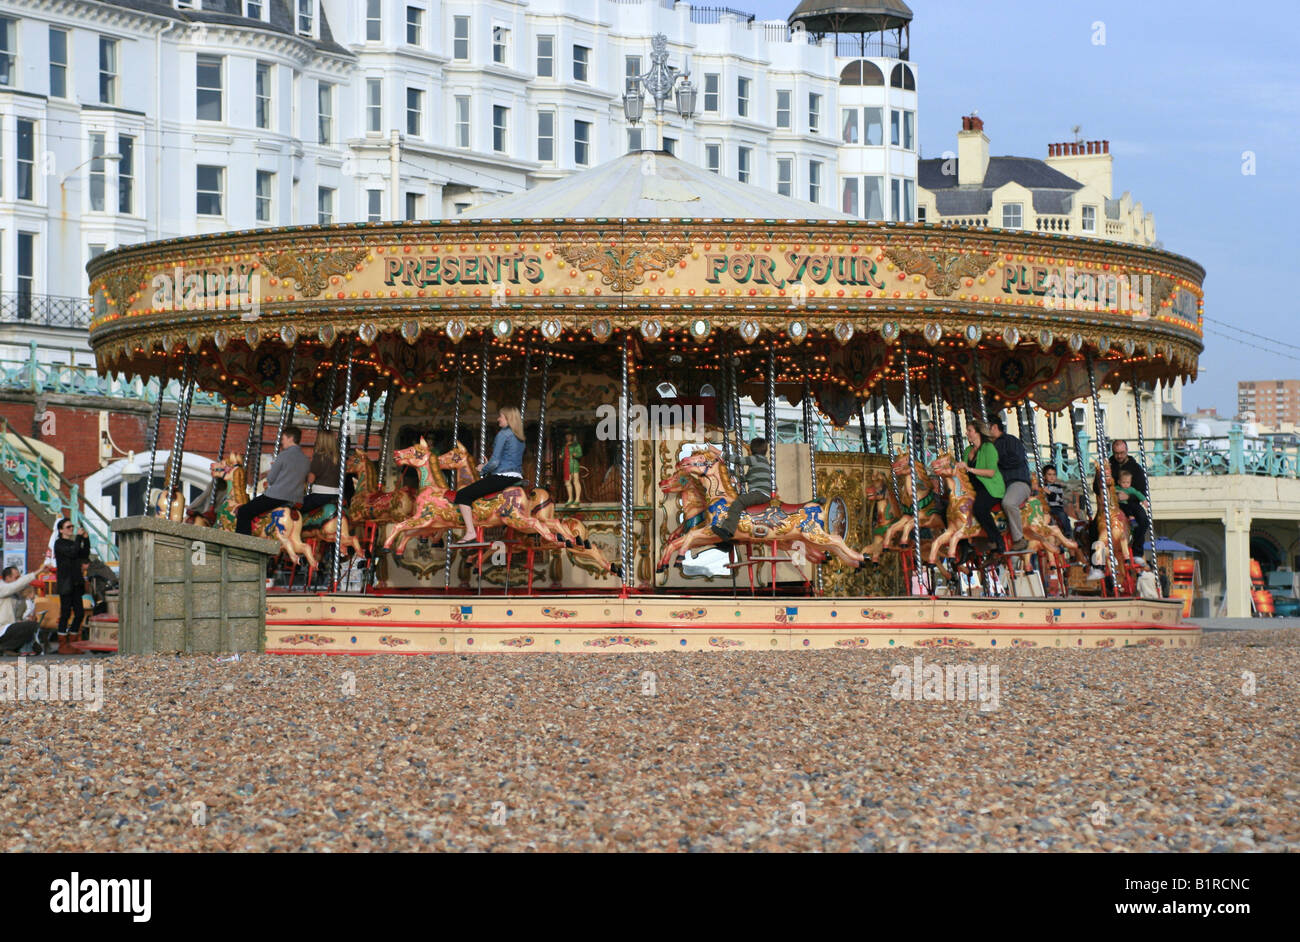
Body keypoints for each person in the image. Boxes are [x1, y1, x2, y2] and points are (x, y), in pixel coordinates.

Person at [450, 407, 526, 547]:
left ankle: (470, 532)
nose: (498, 419)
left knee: (462, 495)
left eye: (501, 417)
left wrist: (482, 469)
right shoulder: (520, 438)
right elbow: (507, 460)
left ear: (508, 418)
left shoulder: (503, 434)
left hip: (502, 477)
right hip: (516, 477)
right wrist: (488, 465)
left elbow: (496, 461)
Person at [236, 426, 310, 535]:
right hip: (296, 499)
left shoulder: (283, 455)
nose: (282, 442)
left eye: (283, 438)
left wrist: (272, 470)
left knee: (244, 511)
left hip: (277, 496)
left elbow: (270, 479)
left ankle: (242, 543)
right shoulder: (306, 459)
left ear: (290, 438)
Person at [712, 438, 774, 542]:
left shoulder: (755, 458)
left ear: (752, 449)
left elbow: (739, 460)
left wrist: (719, 452)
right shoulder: (763, 461)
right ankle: (731, 537)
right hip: (762, 494)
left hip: (759, 493)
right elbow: (748, 477)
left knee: (739, 502)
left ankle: (728, 530)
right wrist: (736, 479)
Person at [956, 420, 1005, 549]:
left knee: (979, 508)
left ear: (978, 433)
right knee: (956, 508)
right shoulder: (968, 451)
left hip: (990, 488)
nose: (967, 433)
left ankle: (997, 540)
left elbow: (991, 472)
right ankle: (965, 544)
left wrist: (969, 469)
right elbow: (963, 470)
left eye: (970, 430)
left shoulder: (989, 448)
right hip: (973, 488)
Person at [987, 418, 1031, 552]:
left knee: (1009, 503)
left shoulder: (1010, 441)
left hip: (1017, 482)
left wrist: (996, 461)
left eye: (985, 428)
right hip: (999, 486)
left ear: (994, 427)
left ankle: (1019, 539)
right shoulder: (988, 446)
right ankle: (993, 539)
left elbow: (1016, 459)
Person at [1109, 440, 1150, 555]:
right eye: (1116, 453)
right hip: (1113, 503)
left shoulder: (1136, 469)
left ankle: (1137, 551)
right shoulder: (1109, 466)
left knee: (1143, 521)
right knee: (1095, 526)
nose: (1119, 456)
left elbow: (1142, 490)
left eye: (1122, 452)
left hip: (1131, 503)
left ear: (1127, 451)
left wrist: (1129, 496)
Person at [0, 562, 51, 655]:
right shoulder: (1, 587)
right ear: (7, 578)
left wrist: (24, 619)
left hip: (9, 627)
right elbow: (16, 585)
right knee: (31, 626)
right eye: (16, 577)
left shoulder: (15, 595)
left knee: (32, 625)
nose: (19, 580)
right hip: (2, 629)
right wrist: (38, 572)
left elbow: (18, 615)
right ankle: (6, 647)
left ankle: (14, 648)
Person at [53, 519, 90, 647]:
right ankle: (63, 643)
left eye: (72, 527)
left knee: (80, 613)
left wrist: (86, 539)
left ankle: (73, 642)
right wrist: (79, 537)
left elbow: (84, 554)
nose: (71, 529)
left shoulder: (73, 543)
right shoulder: (59, 543)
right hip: (66, 583)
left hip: (76, 583)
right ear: (61, 530)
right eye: (68, 527)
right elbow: (73, 552)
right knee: (66, 613)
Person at [302, 429, 341, 515]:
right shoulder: (338, 458)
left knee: (296, 508)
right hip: (336, 495)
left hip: (320, 495)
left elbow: (311, 479)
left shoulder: (319, 456)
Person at [1041, 464, 1073, 536]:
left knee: (1062, 515)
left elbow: (1058, 498)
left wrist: (1049, 493)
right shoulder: (1042, 487)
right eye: (1049, 474)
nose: (1052, 477)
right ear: (1044, 476)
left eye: (1054, 474)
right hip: (1044, 508)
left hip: (1055, 507)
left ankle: (1068, 532)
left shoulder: (1058, 487)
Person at [561, 432, 584, 507]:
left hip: (574, 464)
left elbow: (580, 454)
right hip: (566, 465)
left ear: (572, 436)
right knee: (567, 483)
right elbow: (563, 455)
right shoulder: (564, 446)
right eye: (566, 435)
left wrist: (576, 455)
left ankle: (577, 499)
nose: (568, 437)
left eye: (569, 435)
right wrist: (561, 456)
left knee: (575, 481)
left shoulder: (576, 445)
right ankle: (570, 498)